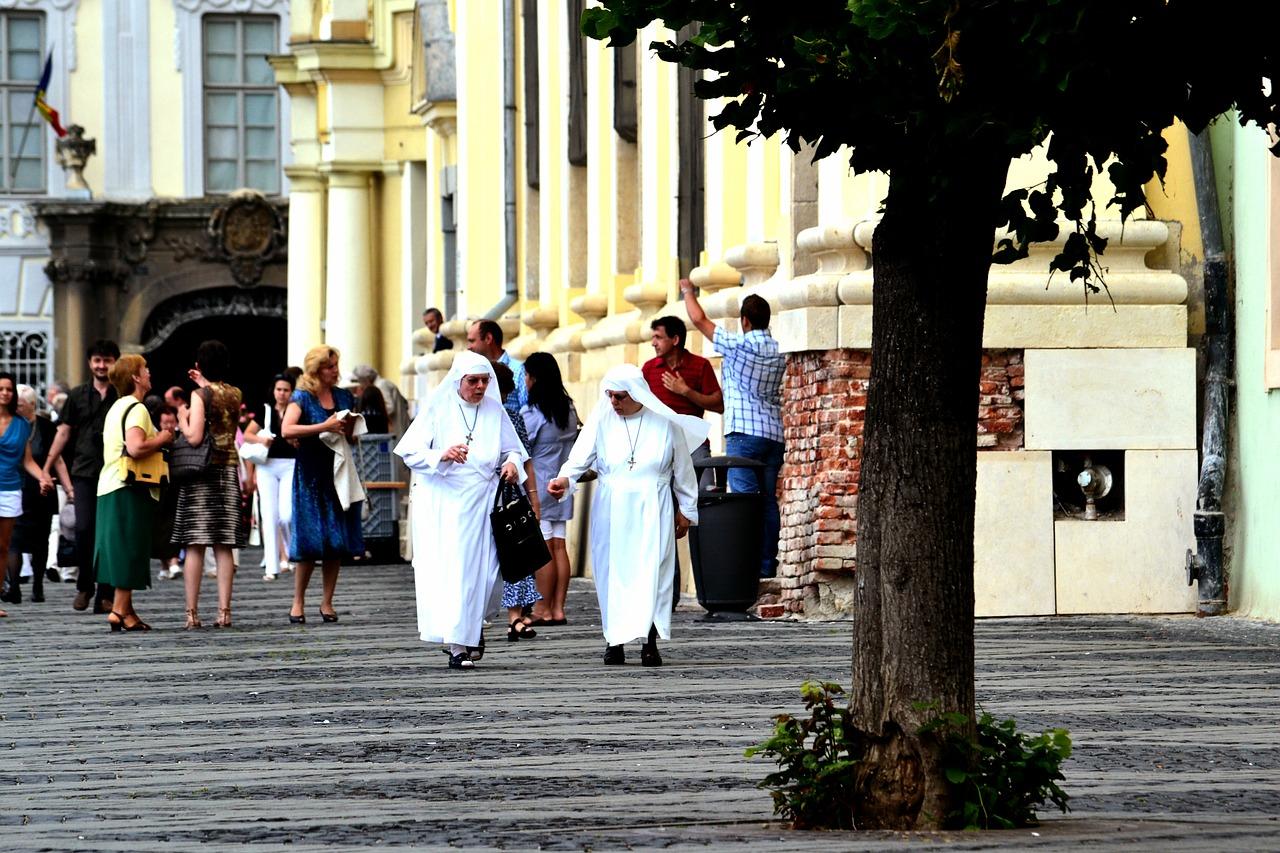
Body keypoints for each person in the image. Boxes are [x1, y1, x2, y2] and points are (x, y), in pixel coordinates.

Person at [547, 364, 704, 667]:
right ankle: (614, 640)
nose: (614, 402)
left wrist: (686, 509)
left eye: (620, 396)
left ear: (636, 394)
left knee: (652, 574)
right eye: (610, 396)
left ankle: (649, 641)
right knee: (612, 573)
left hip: (653, 507)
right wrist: (564, 480)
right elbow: (579, 458)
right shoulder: (603, 419)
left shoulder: (664, 422)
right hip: (611, 507)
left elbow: (682, 468)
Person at [394, 350, 528, 670]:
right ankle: (458, 645)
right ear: (459, 381)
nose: (480, 387)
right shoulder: (438, 407)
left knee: (489, 574)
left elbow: (514, 450)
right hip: (449, 502)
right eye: (473, 381)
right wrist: (443, 453)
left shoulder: (495, 409)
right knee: (459, 572)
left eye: (485, 381)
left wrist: (511, 464)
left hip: (485, 500)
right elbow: (410, 452)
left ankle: (471, 626)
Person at [681, 282, 786, 578]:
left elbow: (700, 320)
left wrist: (688, 291)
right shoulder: (779, 351)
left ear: (745, 321)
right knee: (767, 502)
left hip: (743, 434)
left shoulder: (739, 346)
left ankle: (746, 565)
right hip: (773, 434)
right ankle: (766, 565)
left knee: (743, 501)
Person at [282, 346, 363, 625]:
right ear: (316, 369)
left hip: (337, 470)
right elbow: (287, 429)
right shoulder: (302, 397)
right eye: (330, 366)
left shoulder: (343, 396)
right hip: (310, 473)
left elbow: (349, 436)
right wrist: (323, 427)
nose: (335, 370)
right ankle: (298, 601)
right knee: (308, 539)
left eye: (336, 365)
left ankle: (327, 601)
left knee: (335, 539)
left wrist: (351, 425)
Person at [94, 355, 174, 632]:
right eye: (145, 370)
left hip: (110, 484)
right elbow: (137, 447)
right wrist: (163, 438)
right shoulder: (137, 409)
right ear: (136, 378)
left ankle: (125, 611)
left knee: (122, 548)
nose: (149, 373)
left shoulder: (117, 407)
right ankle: (119, 609)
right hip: (129, 486)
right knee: (129, 548)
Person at [172, 340, 248, 629]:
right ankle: (224, 612)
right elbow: (220, 408)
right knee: (223, 543)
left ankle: (192, 613)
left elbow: (193, 436)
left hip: (201, 472)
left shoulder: (198, 395)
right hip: (228, 470)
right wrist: (204, 382)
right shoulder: (234, 393)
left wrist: (182, 416)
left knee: (195, 543)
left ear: (200, 365)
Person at [42, 339, 121, 613]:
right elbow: (63, 432)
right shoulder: (76, 395)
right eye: (97, 360)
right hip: (85, 471)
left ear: (115, 362)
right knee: (85, 528)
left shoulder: (122, 394)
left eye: (107, 360)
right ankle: (85, 585)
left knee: (109, 533)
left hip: (116, 470)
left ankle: (106, 593)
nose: (102, 365)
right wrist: (47, 465)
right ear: (90, 363)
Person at [521, 353, 579, 626]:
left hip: (540, 486)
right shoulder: (568, 409)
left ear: (534, 377)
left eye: (527, 375)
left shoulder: (532, 413)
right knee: (559, 546)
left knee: (543, 548)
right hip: (564, 483)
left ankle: (542, 608)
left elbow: (522, 449)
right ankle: (559, 608)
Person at [3, 385, 70, 605]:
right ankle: (14, 586)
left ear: (32, 405)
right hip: (17, 487)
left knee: (40, 542)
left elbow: (57, 459)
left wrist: (67, 488)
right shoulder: (10, 425)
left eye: (21, 405)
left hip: (42, 490)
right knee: (14, 541)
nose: (17, 408)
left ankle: (38, 585)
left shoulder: (46, 427)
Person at [491, 361, 542, 641]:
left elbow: (526, 460)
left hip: (508, 495)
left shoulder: (510, 415)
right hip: (481, 496)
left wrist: (533, 498)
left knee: (517, 556)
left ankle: (515, 616)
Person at [242, 374, 299, 581]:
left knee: (287, 515)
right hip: (266, 466)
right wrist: (262, 439)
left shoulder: (297, 411)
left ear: (292, 392)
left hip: (290, 465)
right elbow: (247, 435)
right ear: (273, 391)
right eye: (279, 389)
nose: (282, 393)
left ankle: (291, 556)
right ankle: (271, 567)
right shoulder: (265, 411)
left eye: (286, 390)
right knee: (269, 515)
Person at [466, 319, 526, 418]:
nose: (469, 347)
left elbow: (527, 411)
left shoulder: (519, 370)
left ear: (488, 338)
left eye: (472, 341)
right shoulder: (472, 370)